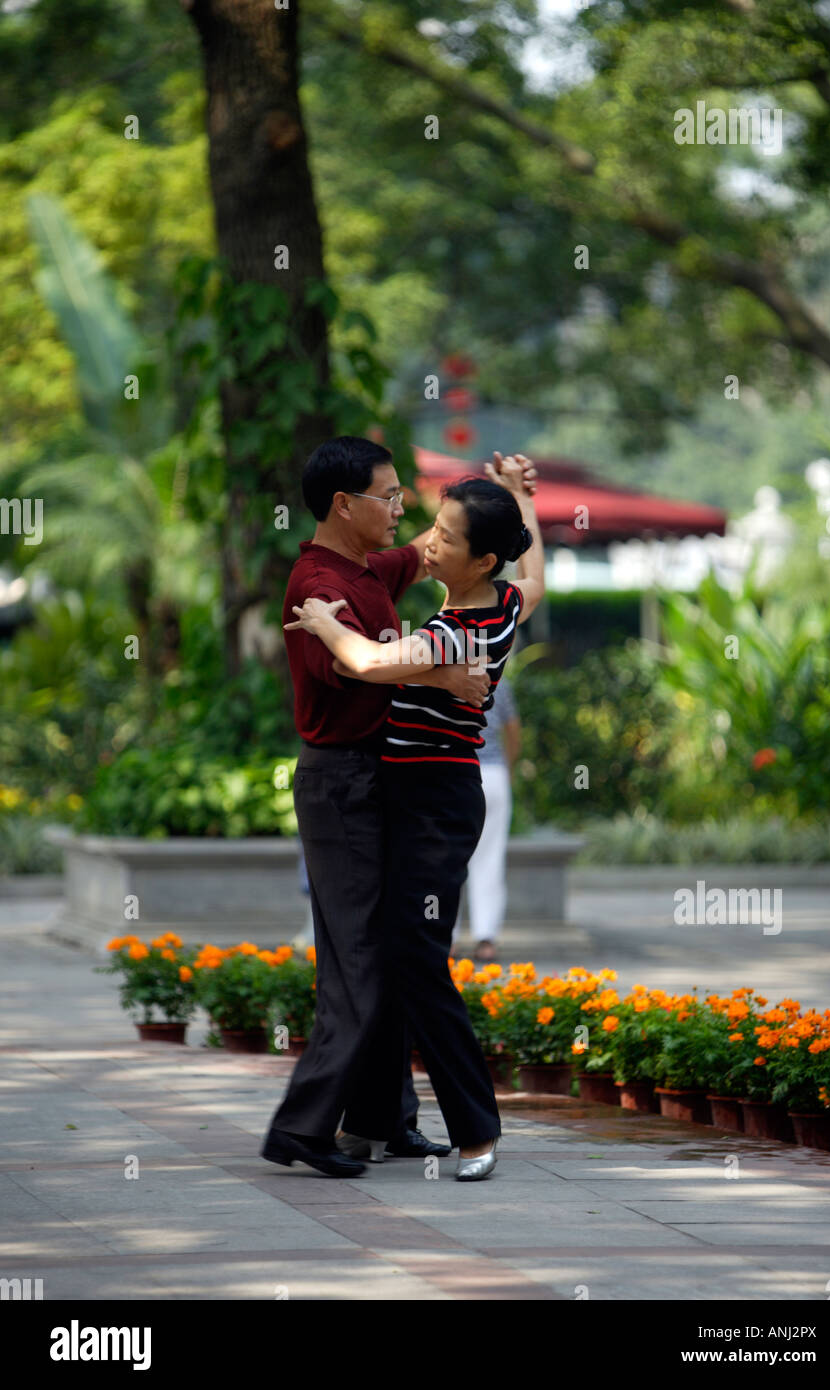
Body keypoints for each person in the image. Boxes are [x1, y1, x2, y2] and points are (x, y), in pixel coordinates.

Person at [261, 436, 537, 1180]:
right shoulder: (320, 586)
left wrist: (509, 501)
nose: (403, 512)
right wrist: (448, 676)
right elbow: (362, 664)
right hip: (344, 782)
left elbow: (439, 550)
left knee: (389, 955)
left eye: (402, 498)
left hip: (396, 783)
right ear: (342, 505)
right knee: (361, 960)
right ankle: (305, 1127)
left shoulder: (368, 566)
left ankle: (379, 1120)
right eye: (388, 496)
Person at [465, 672, 521, 963]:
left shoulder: (438, 672)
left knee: (442, 857)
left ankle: (443, 936)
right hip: (492, 773)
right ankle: (485, 938)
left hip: (452, 770)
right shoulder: (499, 681)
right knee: (489, 858)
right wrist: (508, 768)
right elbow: (513, 729)